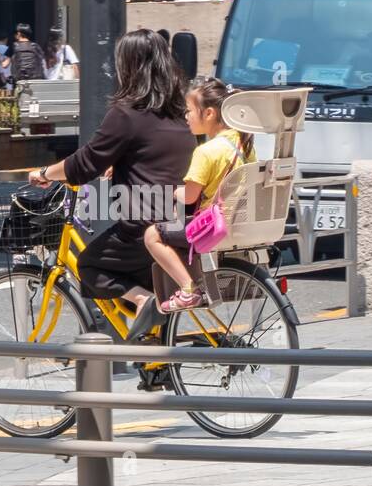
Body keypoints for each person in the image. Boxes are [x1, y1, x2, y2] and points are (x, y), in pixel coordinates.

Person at [28, 29, 196, 339]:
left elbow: (84, 162)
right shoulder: (177, 116)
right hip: (179, 225)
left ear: (129, 66)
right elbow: (150, 157)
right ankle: (154, 356)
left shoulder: (127, 114)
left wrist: (44, 172)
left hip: (143, 228)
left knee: (90, 266)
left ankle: (145, 303)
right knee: (135, 278)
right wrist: (118, 165)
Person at [144, 77, 255, 312]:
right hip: (239, 220)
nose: (186, 116)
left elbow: (190, 197)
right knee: (176, 229)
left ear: (209, 114)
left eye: (189, 111)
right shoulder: (244, 144)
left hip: (212, 226)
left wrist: (175, 192)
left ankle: (188, 290)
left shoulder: (206, 151)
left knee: (152, 235)